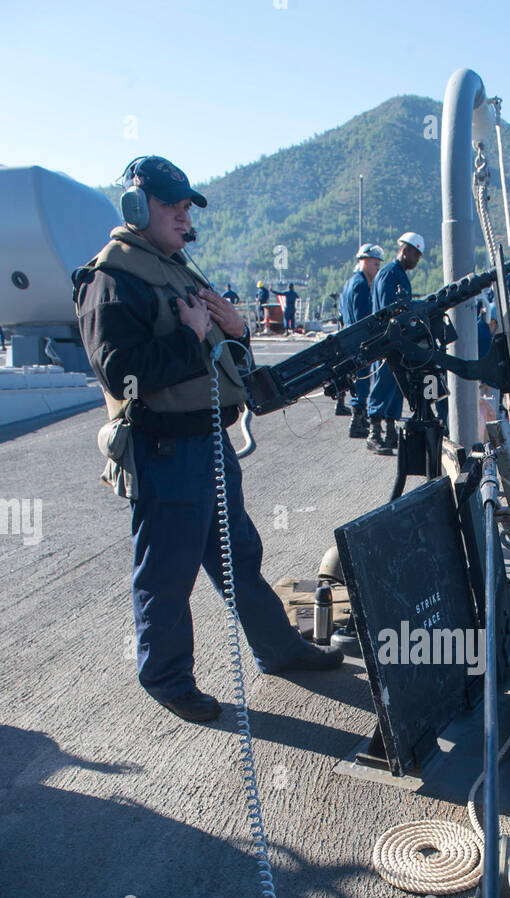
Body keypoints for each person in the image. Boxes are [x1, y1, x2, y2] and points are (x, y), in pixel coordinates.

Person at [72, 155, 342, 726]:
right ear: (137, 208)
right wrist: (194, 336)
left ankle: (278, 649)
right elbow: (121, 373)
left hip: (207, 444)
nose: (183, 217)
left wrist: (236, 331)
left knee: (239, 557)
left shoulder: (176, 268)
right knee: (166, 575)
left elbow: (229, 357)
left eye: (187, 207)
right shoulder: (112, 279)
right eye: (172, 206)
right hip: (164, 451)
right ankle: (166, 680)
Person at [366, 232, 424, 455]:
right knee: (383, 383)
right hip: (386, 340)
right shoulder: (390, 274)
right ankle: (374, 433)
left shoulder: (397, 274)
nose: (417, 261)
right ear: (406, 250)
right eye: (416, 255)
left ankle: (390, 433)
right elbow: (390, 309)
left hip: (397, 342)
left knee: (394, 386)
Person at [339, 243, 383, 438]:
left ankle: (359, 417)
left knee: (357, 380)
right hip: (359, 341)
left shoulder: (350, 282)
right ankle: (357, 420)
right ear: (364, 261)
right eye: (375, 264)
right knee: (363, 380)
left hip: (347, 338)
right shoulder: (361, 285)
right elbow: (363, 317)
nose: (377, 269)